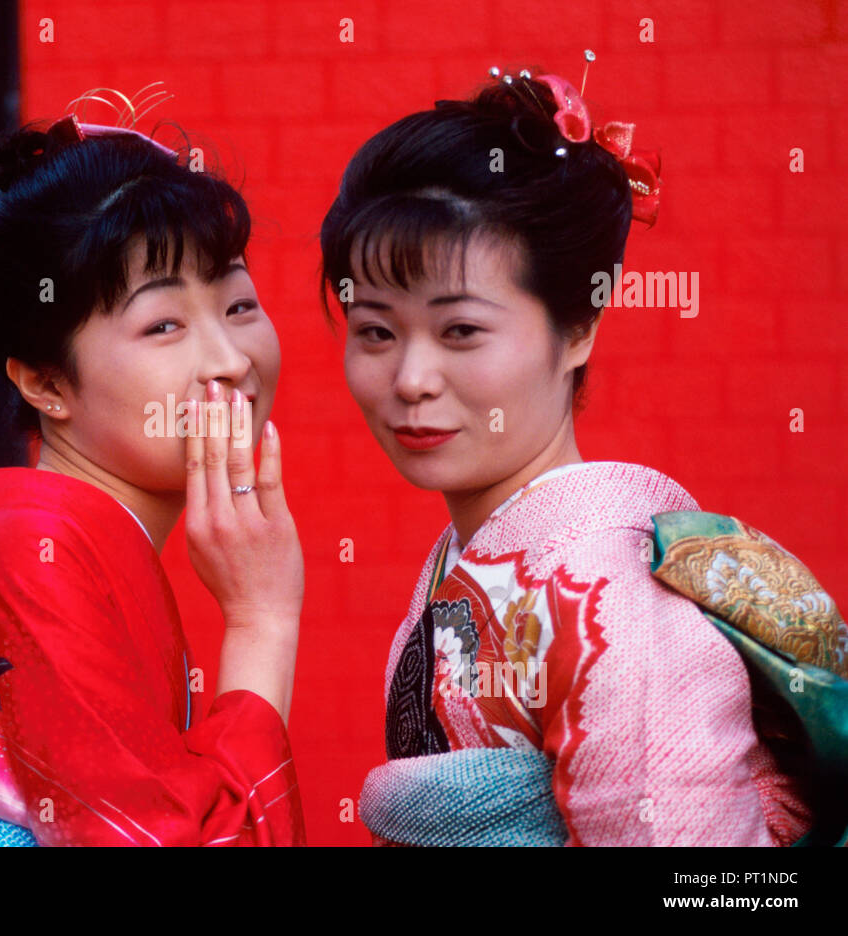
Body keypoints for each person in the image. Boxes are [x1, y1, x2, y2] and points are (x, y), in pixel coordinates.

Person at [319, 59, 816, 845]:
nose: (411, 379)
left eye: (461, 332)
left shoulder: (609, 585)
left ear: (579, 328)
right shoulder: (474, 557)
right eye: (376, 331)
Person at [0, 107, 307, 845]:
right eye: (164, 324)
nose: (231, 358)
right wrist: (263, 622)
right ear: (45, 382)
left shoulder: (44, 546)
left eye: (239, 305)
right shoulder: (27, 559)